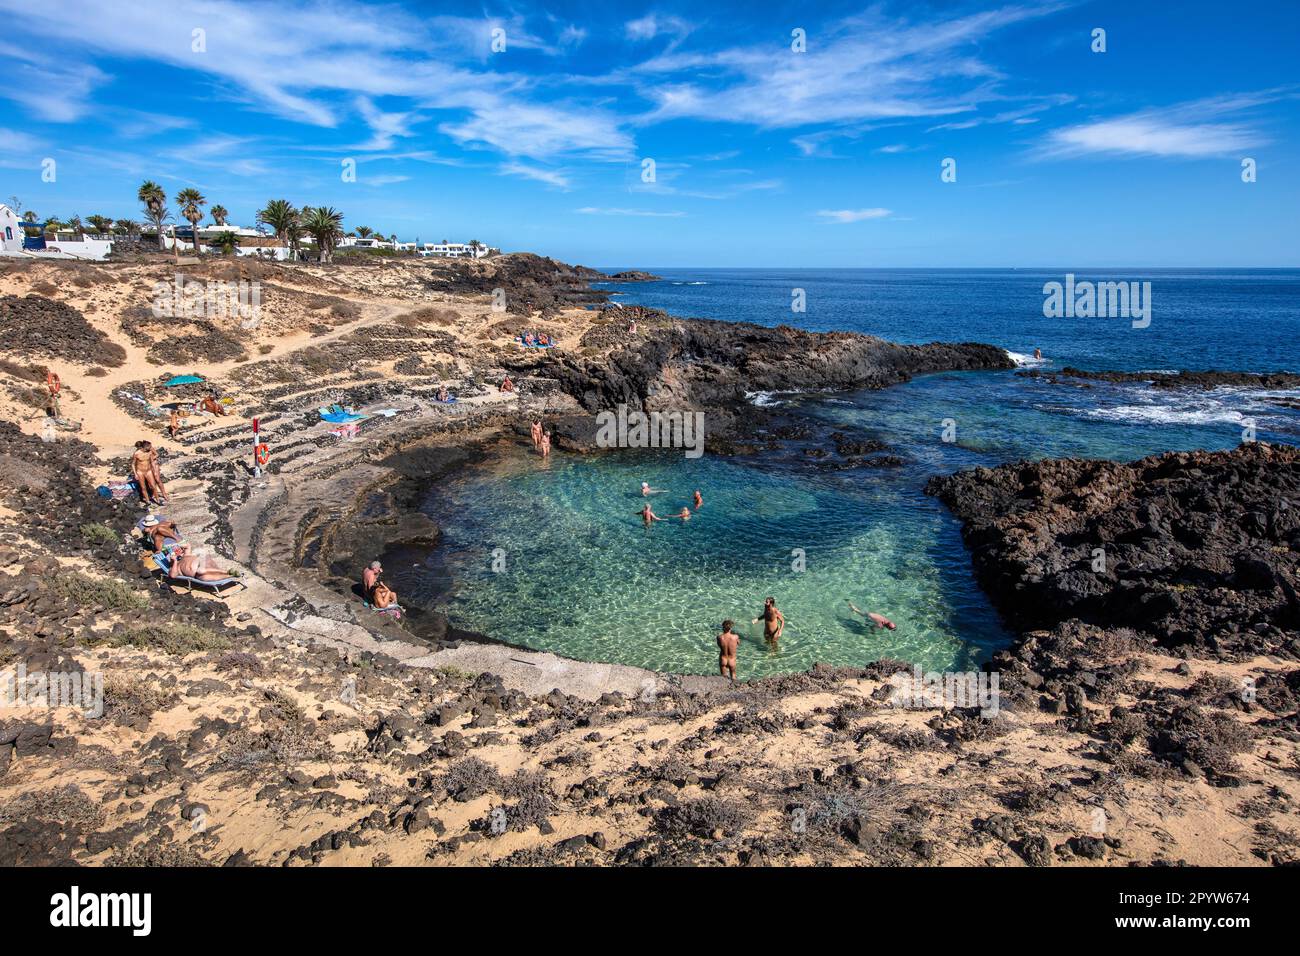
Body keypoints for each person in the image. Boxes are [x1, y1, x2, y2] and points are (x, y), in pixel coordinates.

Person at [169, 545, 235, 582]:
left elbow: (188, 545)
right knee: (204, 577)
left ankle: (226, 572)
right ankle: (230, 575)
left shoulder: (186, 555)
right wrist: (174, 561)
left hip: (201, 563)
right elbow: (173, 575)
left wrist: (177, 547)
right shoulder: (174, 567)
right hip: (197, 575)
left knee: (204, 560)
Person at [131, 441, 164, 506]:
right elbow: (133, 464)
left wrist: (154, 471)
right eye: (149, 446)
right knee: (143, 487)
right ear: (145, 447)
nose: (151, 447)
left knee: (153, 486)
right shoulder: (136, 454)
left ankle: (157, 500)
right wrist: (135, 474)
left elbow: (152, 462)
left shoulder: (150, 452)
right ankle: (148, 501)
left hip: (148, 471)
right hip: (140, 472)